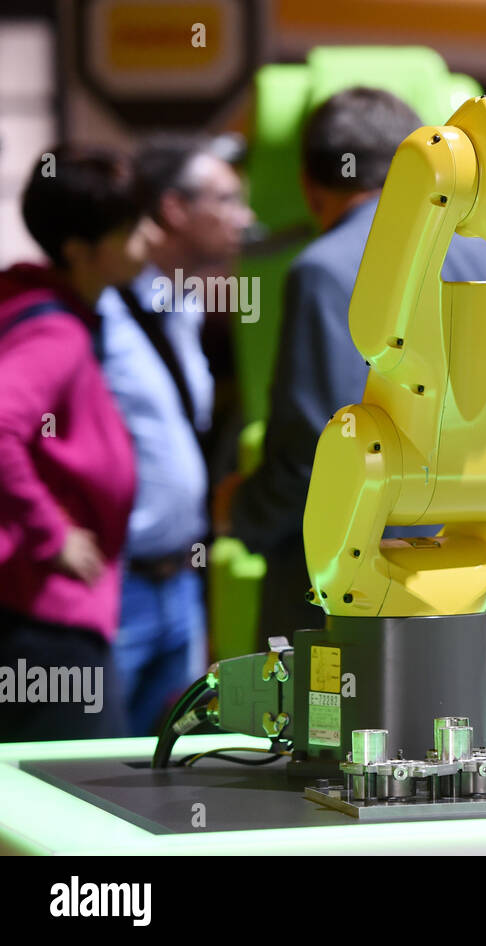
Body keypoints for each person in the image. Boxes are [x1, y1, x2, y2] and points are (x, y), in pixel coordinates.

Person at [212, 88, 486, 719]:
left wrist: (239, 513)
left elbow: (313, 460)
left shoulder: (322, 269)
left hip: (363, 644)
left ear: (309, 187)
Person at [98, 135, 253, 734]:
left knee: (163, 764)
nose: (246, 217)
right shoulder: (101, 309)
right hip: (117, 585)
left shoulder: (185, 306)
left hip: (180, 582)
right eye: (227, 199)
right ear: (173, 209)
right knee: (96, 771)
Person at [0, 146, 142, 740]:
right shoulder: (54, 331)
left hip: (41, 613)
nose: (145, 242)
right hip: (47, 618)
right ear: (83, 252)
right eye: (130, 232)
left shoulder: (35, 307)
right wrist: (51, 533)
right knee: (88, 804)